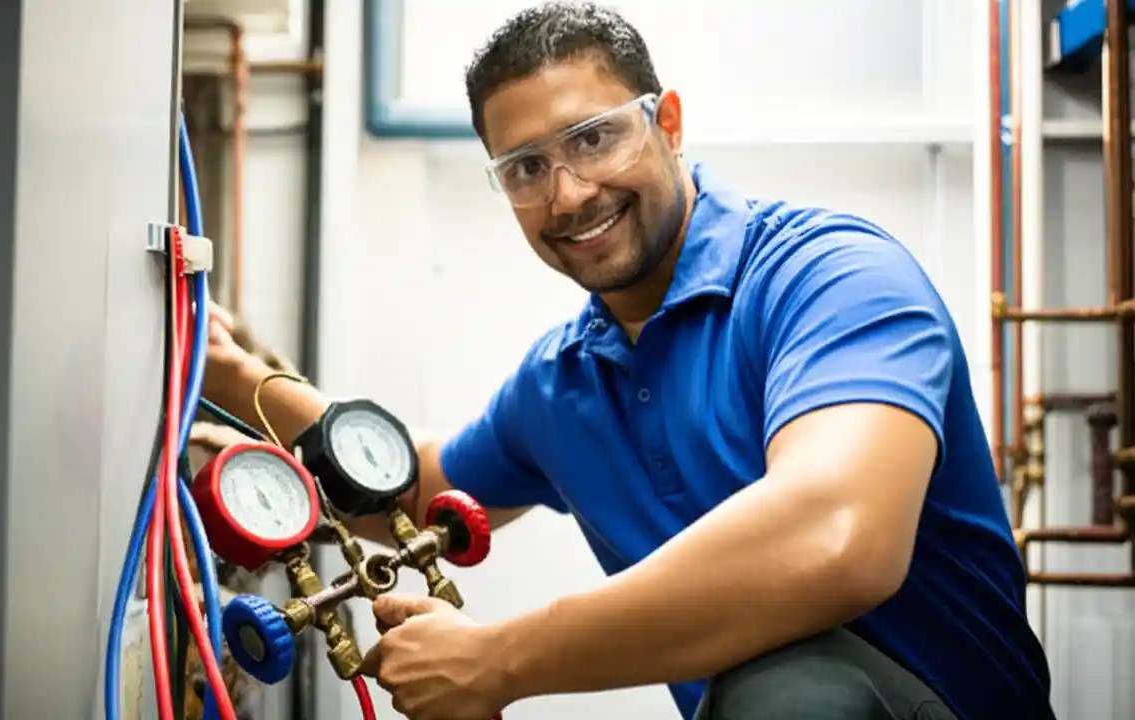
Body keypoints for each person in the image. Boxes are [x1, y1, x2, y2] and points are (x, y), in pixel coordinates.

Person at [202, 4, 1054, 719]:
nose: (569, 193)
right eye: (527, 168)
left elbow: (839, 538)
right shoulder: (567, 382)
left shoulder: (828, 276)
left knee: (793, 690)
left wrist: (500, 660)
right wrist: (233, 377)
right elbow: (416, 494)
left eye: (594, 138)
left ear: (668, 123)